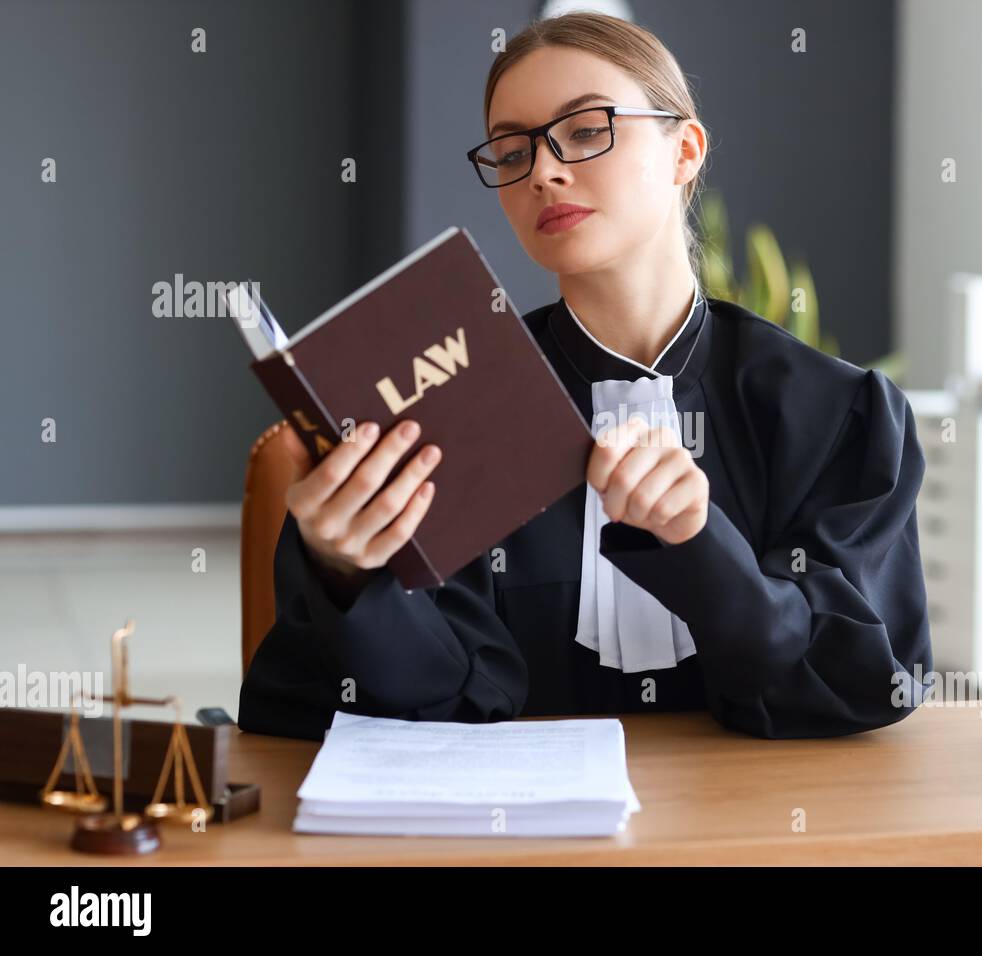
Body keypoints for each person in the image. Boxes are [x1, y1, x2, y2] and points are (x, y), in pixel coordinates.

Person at [238, 12, 932, 742]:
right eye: (512, 151)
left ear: (684, 150)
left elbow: (862, 682)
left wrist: (701, 544)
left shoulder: (835, 410)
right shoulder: (447, 406)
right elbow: (427, 703)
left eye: (586, 128)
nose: (543, 170)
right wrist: (347, 573)